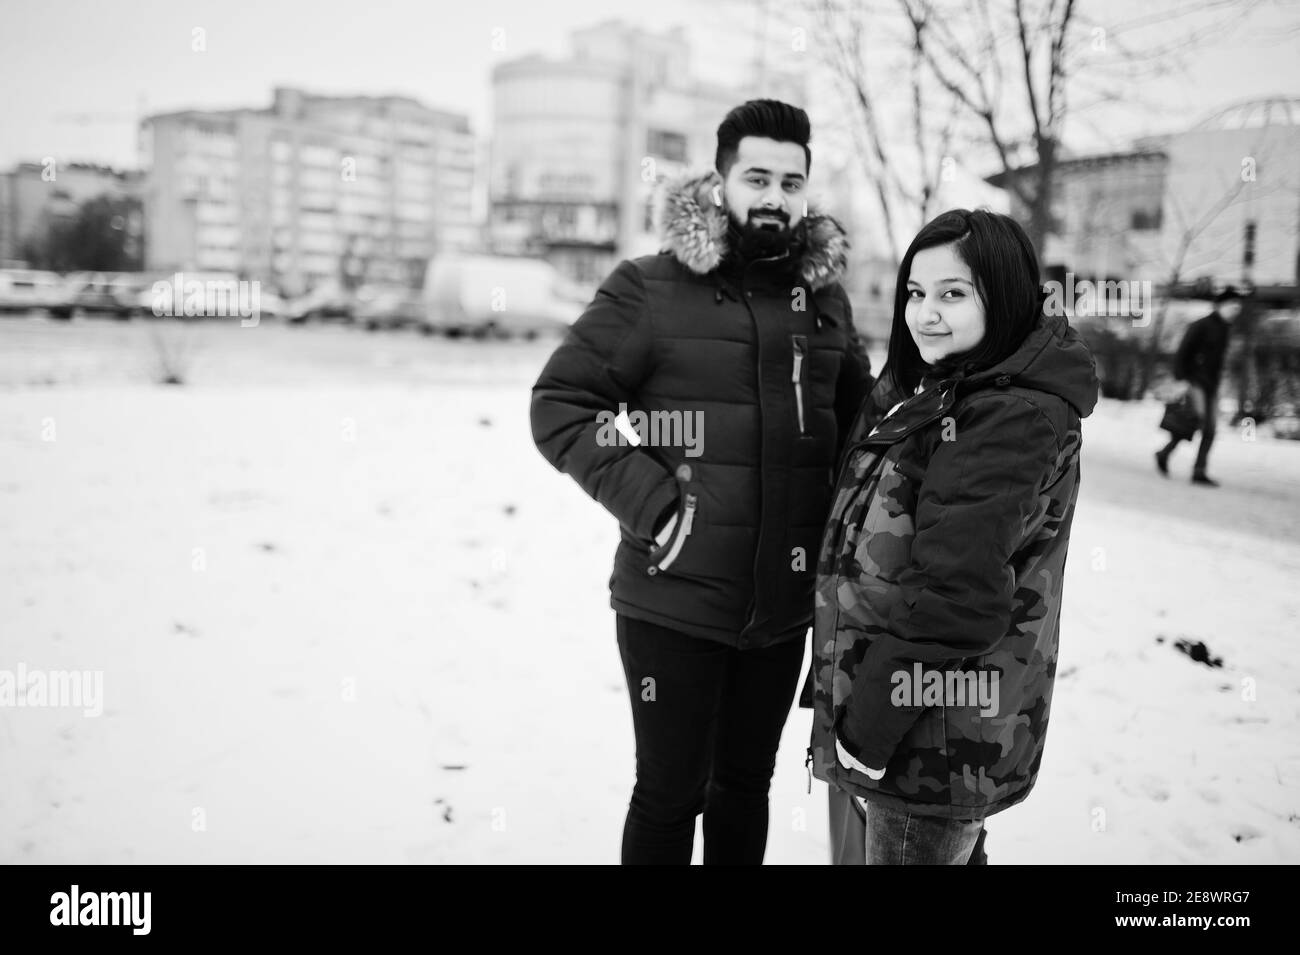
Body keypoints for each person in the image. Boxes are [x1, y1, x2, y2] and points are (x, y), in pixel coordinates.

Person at [530, 100, 874, 865]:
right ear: (721, 182)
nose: (776, 196)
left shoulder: (823, 304)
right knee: (670, 790)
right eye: (758, 177)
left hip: (781, 610)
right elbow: (560, 404)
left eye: (792, 181)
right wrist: (655, 507)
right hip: (672, 598)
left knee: (746, 786)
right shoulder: (650, 288)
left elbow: (861, 434)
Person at [803, 209, 1099, 864]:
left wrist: (865, 730)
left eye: (953, 293)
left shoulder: (1001, 417)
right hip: (933, 729)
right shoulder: (960, 391)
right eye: (916, 292)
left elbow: (954, 599)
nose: (925, 312)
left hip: (925, 745)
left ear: (1005, 295)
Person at [1155, 287, 1242, 486]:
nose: (1236, 310)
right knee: (1199, 424)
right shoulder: (1202, 326)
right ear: (1221, 305)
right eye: (1233, 305)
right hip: (1196, 382)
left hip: (1211, 385)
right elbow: (1183, 352)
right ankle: (1192, 467)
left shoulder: (1225, 329)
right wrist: (1182, 379)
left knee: (1203, 427)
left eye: (1238, 307)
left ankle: (1175, 458)